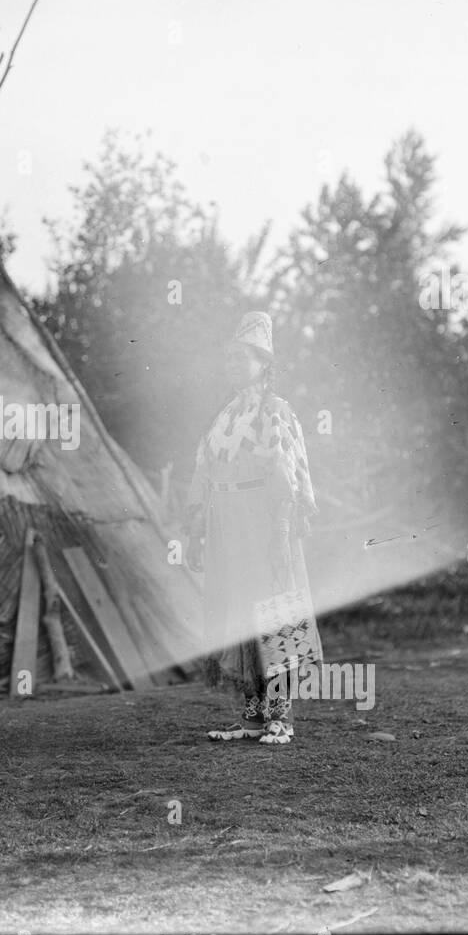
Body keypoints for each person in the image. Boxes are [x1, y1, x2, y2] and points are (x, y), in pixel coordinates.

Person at [184, 311, 323, 745]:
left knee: (273, 611)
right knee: (239, 613)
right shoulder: (223, 418)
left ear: (264, 363)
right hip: (227, 522)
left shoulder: (275, 412)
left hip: (264, 523)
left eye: (242, 358)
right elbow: (202, 475)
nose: (233, 365)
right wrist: (195, 531)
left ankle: (281, 716)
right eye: (229, 358)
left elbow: (286, 476)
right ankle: (252, 715)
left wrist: (281, 534)